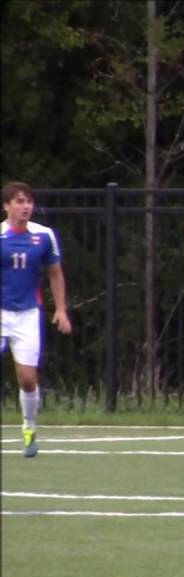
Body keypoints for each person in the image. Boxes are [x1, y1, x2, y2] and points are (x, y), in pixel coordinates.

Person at [1, 182, 72, 458]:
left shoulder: (43, 236)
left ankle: (29, 426)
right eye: (19, 202)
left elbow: (55, 273)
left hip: (28, 314)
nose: (25, 206)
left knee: (28, 380)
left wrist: (61, 309)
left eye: (28, 201)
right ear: (6, 206)